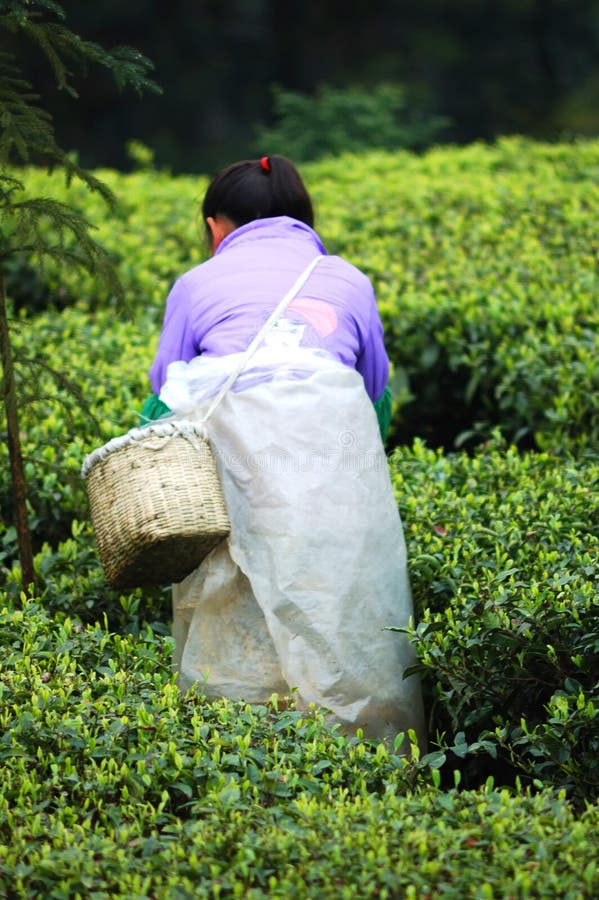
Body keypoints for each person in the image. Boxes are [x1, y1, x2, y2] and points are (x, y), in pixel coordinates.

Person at [144, 155, 426, 747]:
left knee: (236, 591)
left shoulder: (196, 284)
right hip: (330, 472)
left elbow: (163, 392)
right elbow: (374, 392)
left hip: (235, 471)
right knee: (338, 598)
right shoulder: (347, 279)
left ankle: (239, 749)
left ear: (216, 224)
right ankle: (361, 756)